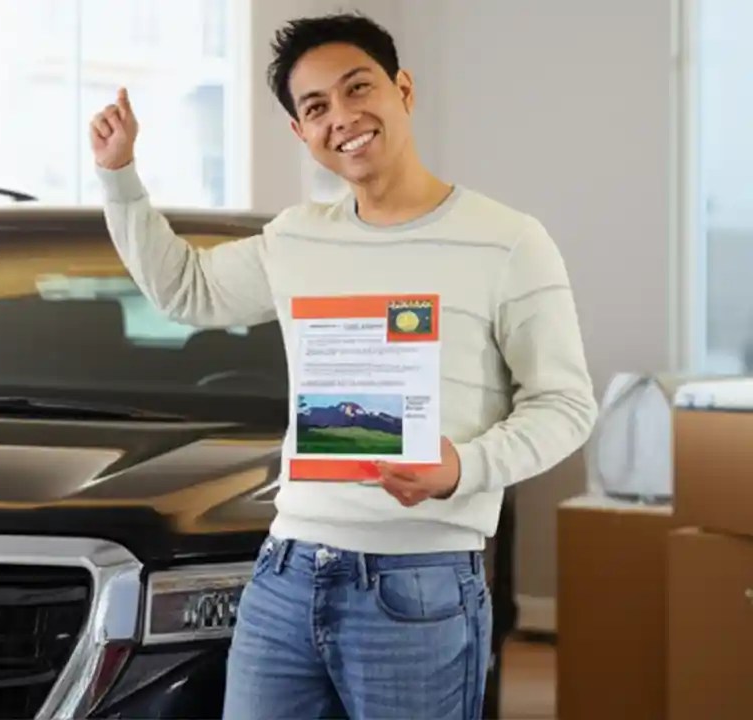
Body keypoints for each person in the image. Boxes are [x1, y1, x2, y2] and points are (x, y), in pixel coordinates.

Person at [88, 11, 597, 720]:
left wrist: (464, 468)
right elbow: (186, 290)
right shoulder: (298, 237)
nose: (344, 118)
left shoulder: (508, 240)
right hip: (288, 571)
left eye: (359, 89)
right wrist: (120, 178)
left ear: (404, 90)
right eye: (317, 107)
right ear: (301, 133)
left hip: (420, 584)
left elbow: (567, 404)